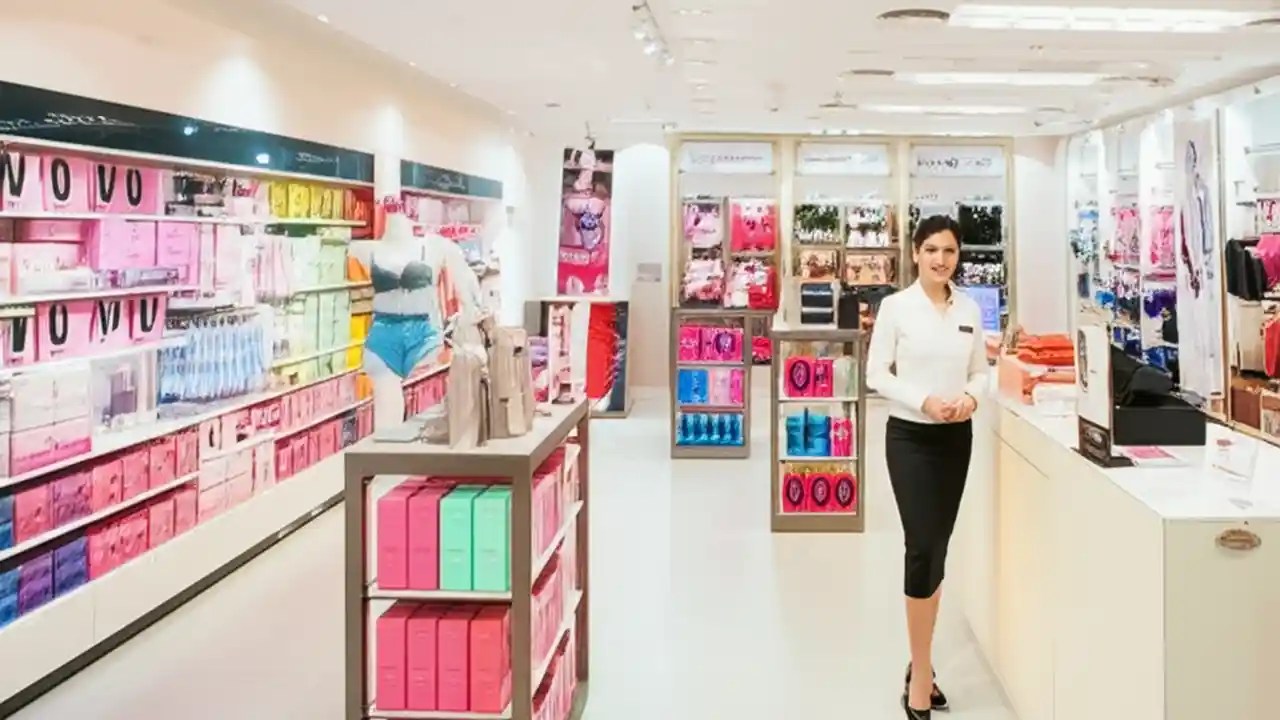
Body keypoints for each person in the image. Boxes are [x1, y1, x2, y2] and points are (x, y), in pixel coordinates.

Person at [865, 214, 989, 720]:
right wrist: (924, 401)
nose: (942, 259)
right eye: (932, 250)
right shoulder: (896, 308)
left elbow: (981, 371)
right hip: (911, 439)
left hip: (955, 440)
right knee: (920, 547)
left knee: (937, 548)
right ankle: (920, 672)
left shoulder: (970, 309)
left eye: (951, 251)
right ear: (916, 252)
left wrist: (970, 400)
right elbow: (876, 372)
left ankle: (922, 660)